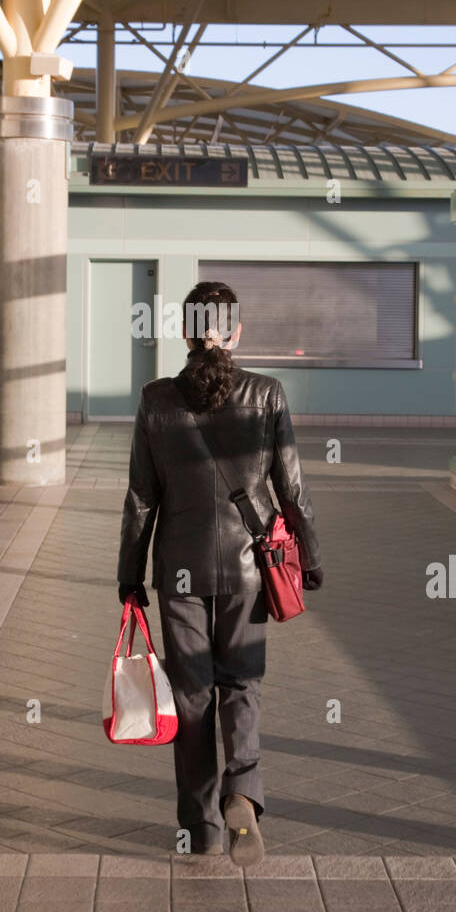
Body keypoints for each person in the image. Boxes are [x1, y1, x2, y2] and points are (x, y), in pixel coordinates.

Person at [117, 280, 323, 866]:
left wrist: (129, 577)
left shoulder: (156, 399)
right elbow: (293, 489)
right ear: (235, 332)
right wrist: (310, 556)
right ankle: (243, 792)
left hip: (178, 568)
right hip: (249, 569)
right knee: (242, 685)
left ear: (184, 332)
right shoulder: (268, 393)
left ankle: (198, 827)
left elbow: (140, 500)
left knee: (192, 695)